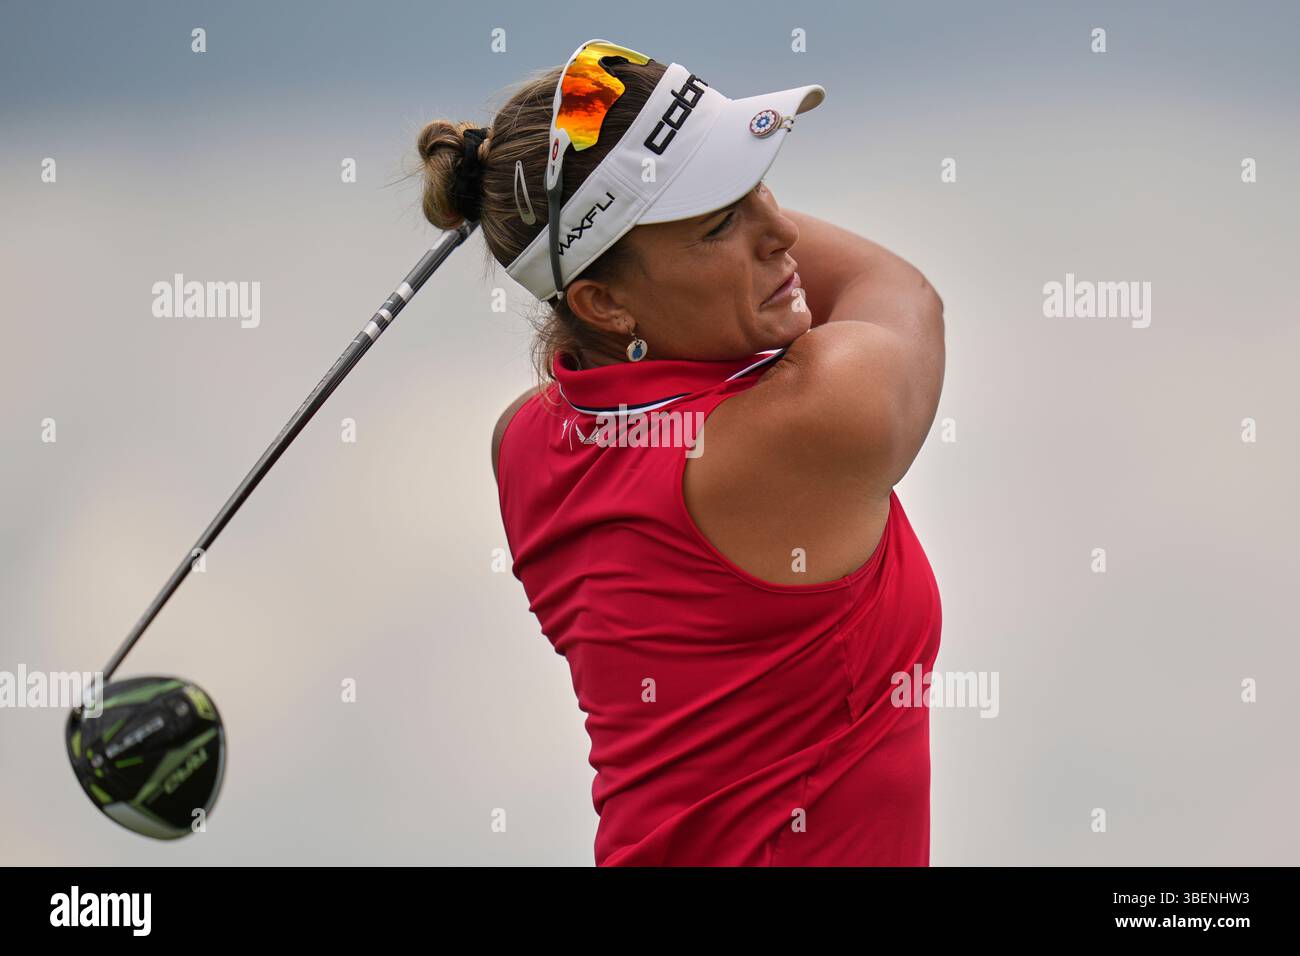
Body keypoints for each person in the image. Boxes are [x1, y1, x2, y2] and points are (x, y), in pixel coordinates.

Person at [415, 40, 945, 865]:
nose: (781, 232)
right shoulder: (812, 419)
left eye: (759, 184)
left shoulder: (524, 440)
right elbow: (903, 293)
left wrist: (691, 187)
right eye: (721, 222)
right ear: (603, 302)